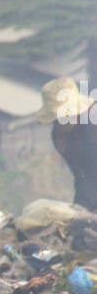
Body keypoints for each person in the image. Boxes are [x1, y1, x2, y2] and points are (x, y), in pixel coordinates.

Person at [37, 77, 97, 212]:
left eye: (64, 116)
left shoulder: (93, 124)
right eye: (56, 119)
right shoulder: (59, 136)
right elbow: (81, 175)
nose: (60, 123)